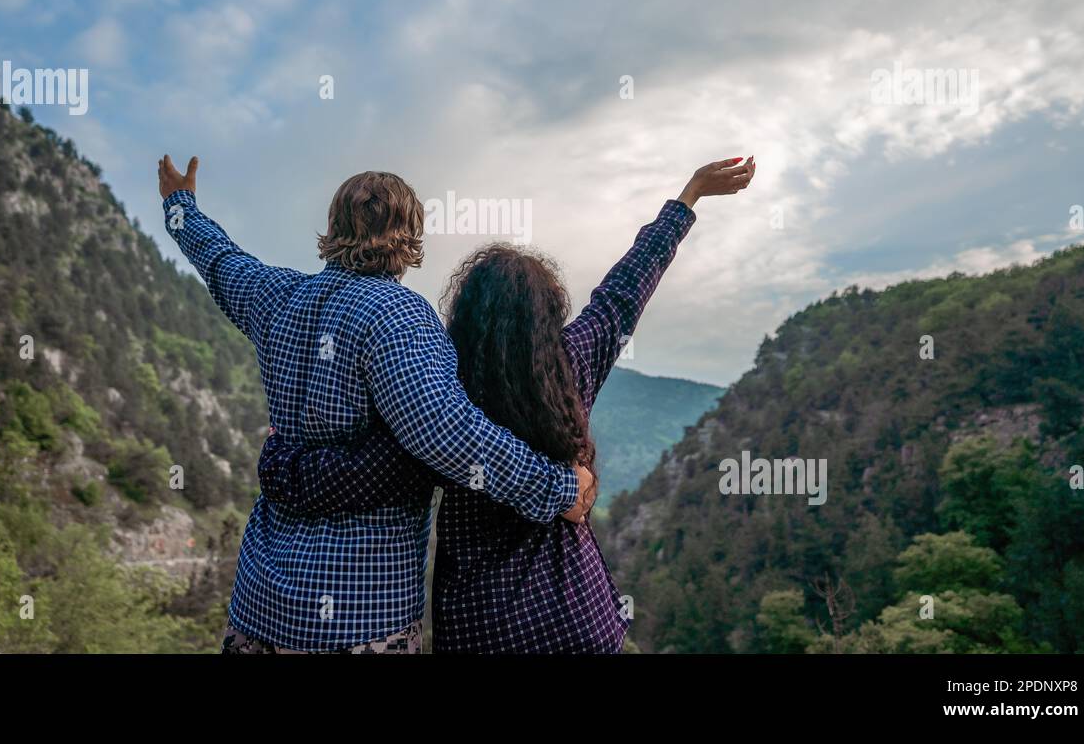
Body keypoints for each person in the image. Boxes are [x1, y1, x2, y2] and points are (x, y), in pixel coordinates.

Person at [255, 156, 756, 652]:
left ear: (463, 315)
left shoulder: (440, 390)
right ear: (549, 313)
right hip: (579, 619)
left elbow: (357, 472)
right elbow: (623, 293)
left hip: (481, 630)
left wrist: (279, 460)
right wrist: (688, 197)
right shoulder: (571, 366)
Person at [158, 158, 595, 654]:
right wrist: (559, 488)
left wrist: (179, 205)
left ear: (334, 226)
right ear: (409, 236)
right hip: (360, 614)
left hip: (259, 605)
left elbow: (218, 259)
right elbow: (449, 433)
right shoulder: (399, 315)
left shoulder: (275, 296)